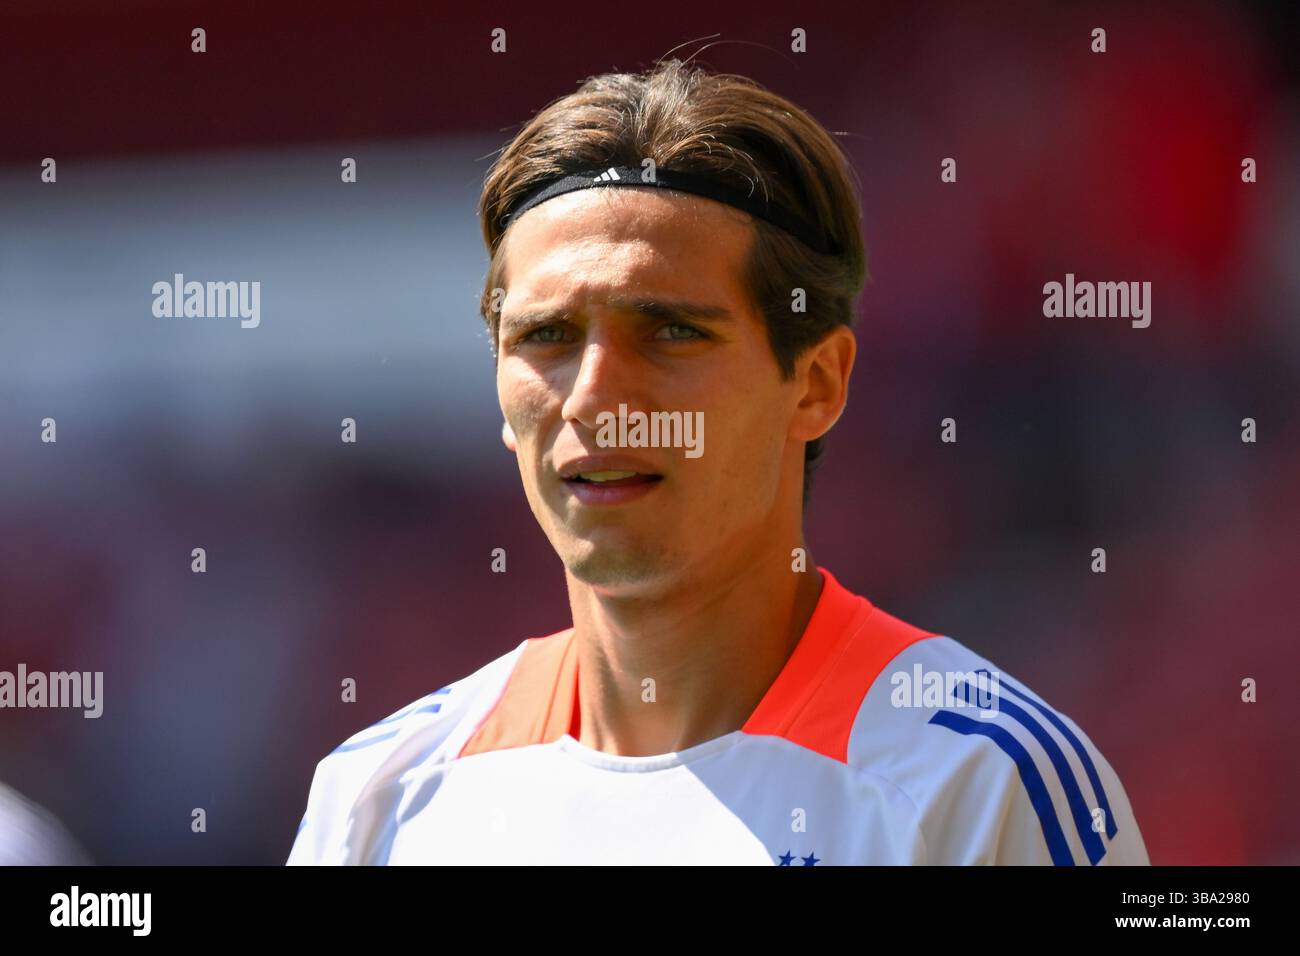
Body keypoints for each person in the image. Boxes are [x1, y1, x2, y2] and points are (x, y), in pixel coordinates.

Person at [288, 58, 1148, 865]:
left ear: (815, 382)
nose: (591, 398)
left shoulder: (980, 790)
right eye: (544, 336)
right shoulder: (378, 801)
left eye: (670, 331)